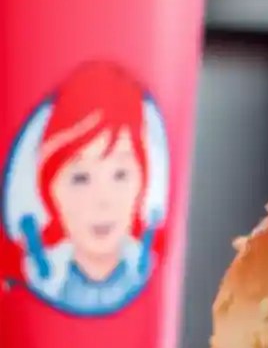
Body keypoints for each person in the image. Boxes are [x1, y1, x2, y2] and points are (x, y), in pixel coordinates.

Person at [1, 61, 166, 315]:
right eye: (80, 179)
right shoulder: (42, 280)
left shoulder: (143, 270)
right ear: (47, 194)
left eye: (120, 175)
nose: (103, 201)